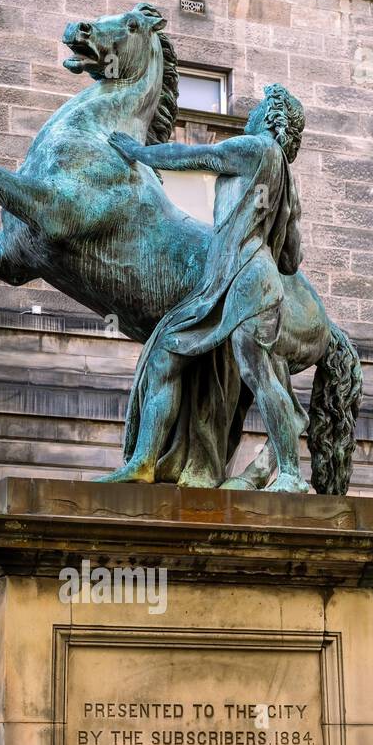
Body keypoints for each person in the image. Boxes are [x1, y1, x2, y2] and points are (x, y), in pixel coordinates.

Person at [101, 83, 308, 490]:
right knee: (166, 355)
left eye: (258, 108)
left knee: (259, 373)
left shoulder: (256, 148)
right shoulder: (286, 179)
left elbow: (193, 156)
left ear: (270, 117)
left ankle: (291, 474)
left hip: (244, 279)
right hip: (242, 279)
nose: (249, 115)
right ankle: (143, 462)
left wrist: (138, 152)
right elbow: (291, 259)